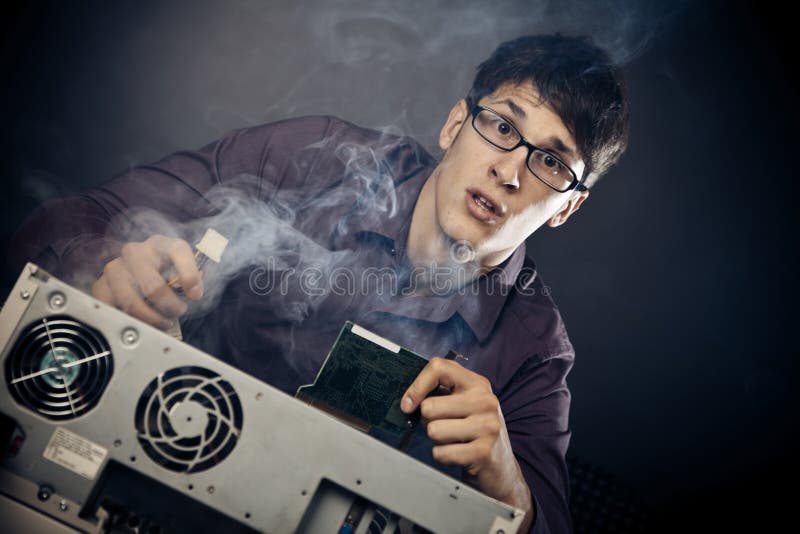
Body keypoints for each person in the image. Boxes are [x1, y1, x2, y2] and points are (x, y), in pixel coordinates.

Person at [8, 34, 629, 533]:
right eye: (502, 127)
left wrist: (505, 481)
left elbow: (545, 521)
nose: (509, 172)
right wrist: (106, 267)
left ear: (567, 208)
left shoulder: (534, 349)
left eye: (551, 162)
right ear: (454, 126)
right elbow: (69, 221)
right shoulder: (312, 157)